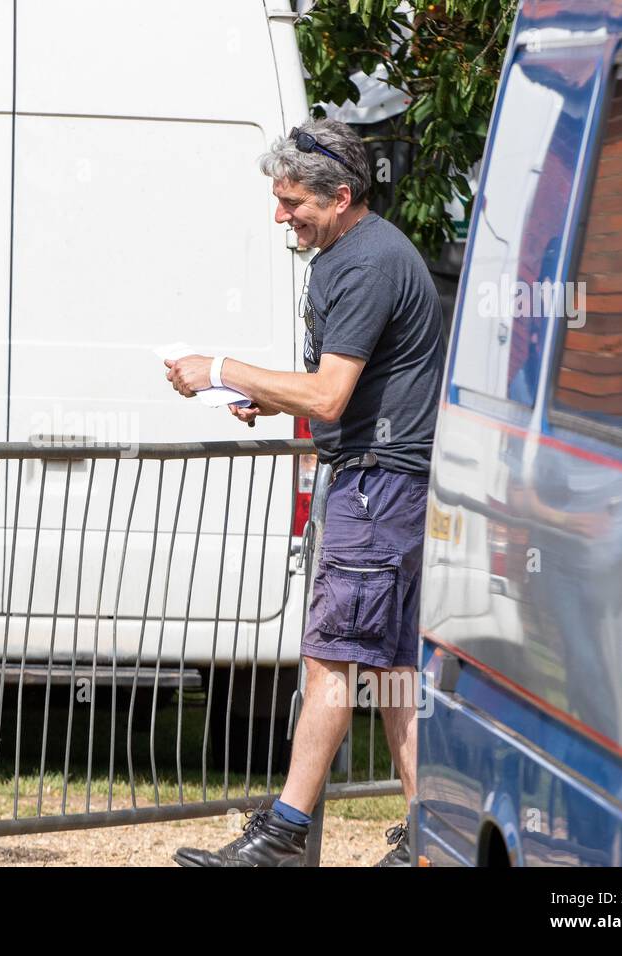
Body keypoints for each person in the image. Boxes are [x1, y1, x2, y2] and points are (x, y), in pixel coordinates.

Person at [164, 118, 445, 867]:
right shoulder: (351, 255)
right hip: (387, 482)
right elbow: (336, 392)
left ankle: (284, 836)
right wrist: (270, 397)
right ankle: (426, 841)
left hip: (375, 486)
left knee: (332, 659)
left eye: (293, 202)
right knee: (389, 670)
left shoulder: (366, 263)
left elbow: (327, 396)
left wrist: (224, 367)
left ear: (342, 195)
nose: (280, 215)